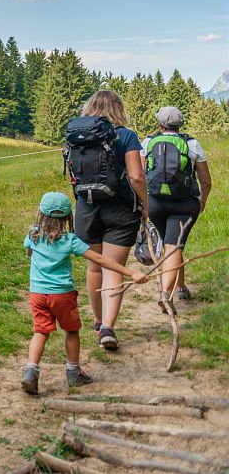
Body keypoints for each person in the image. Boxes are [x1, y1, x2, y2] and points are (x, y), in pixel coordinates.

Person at [21, 192, 148, 395]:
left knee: (40, 332)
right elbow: (101, 260)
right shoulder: (70, 240)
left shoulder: (32, 235)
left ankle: (30, 371)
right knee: (71, 331)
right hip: (62, 295)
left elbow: (28, 252)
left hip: (37, 294)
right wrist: (131, 272)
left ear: (40, 213)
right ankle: (73, 372)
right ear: (68, 217)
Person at [71, 90, 148, 351]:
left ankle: (96, 319)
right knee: (113, 269)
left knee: (94, 268)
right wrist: (146, 205)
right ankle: (107, 327)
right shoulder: (126, 136)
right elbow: (136, 176)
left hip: (86, 207)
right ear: (119, 108)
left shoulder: (75, 135)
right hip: (121, 210)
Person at [141, 106, 214, 302]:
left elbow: (140, 175)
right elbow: (206, 181)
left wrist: (142, 203)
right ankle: (166, 293)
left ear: (160, 124)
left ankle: (180, 287)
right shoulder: (192, 144)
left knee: (171, 245)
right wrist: (202, 200)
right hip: (184, 204)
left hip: (155, 202)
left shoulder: (148, 142)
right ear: (180, 124)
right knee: (173, 246)